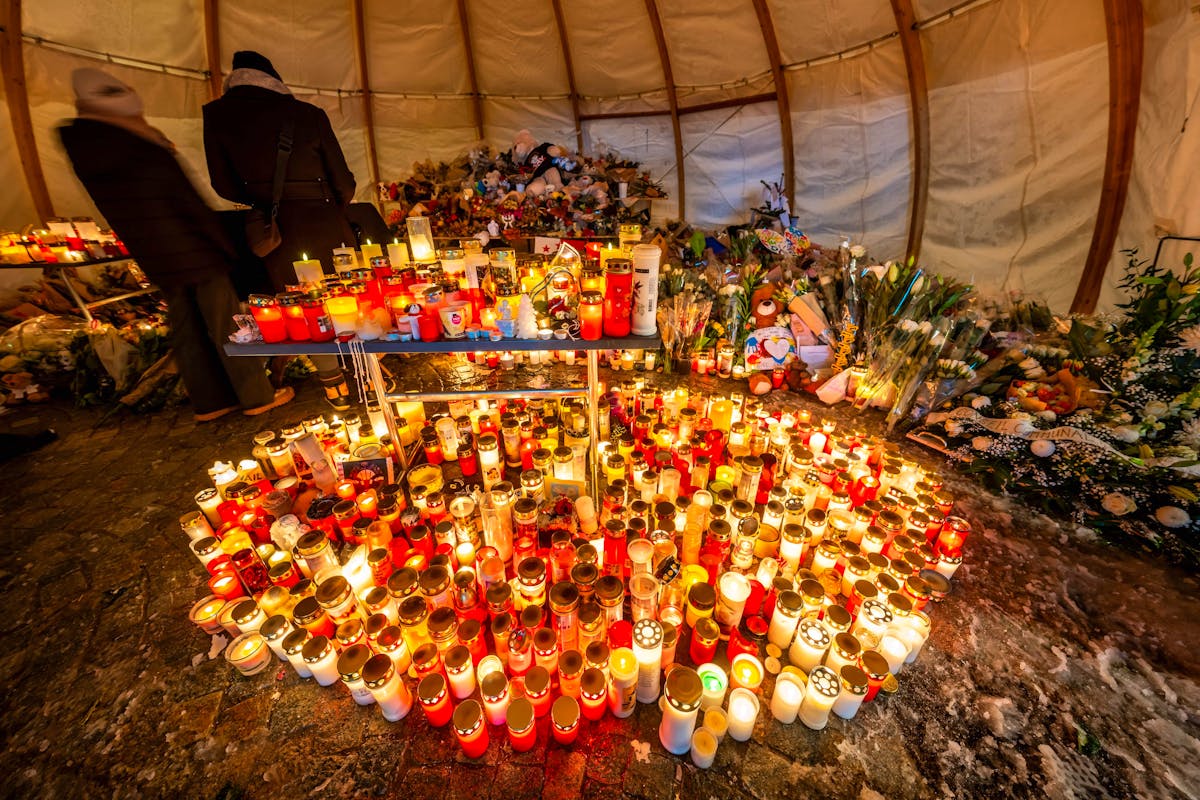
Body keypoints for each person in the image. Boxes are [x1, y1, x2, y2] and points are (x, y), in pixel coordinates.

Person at [59, 68, 293, 422]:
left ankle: (211, 402)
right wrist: (221, 243)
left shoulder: (87, 145)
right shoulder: (136, 140)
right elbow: (183, 200)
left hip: (154, 250)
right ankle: (256, 394)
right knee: (227, 323)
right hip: (192, 245)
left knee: (186, 327)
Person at [203, 50, 355, 411]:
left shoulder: (217, 116)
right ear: (274, 79)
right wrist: (329, 204)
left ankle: (334, 386)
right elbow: (344, 183)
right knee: (346, 294)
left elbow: (222, 185)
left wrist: (264, 202)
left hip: (275, 230)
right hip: (323, 221)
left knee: (302, 305)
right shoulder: (307, 116)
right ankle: (363, 366)